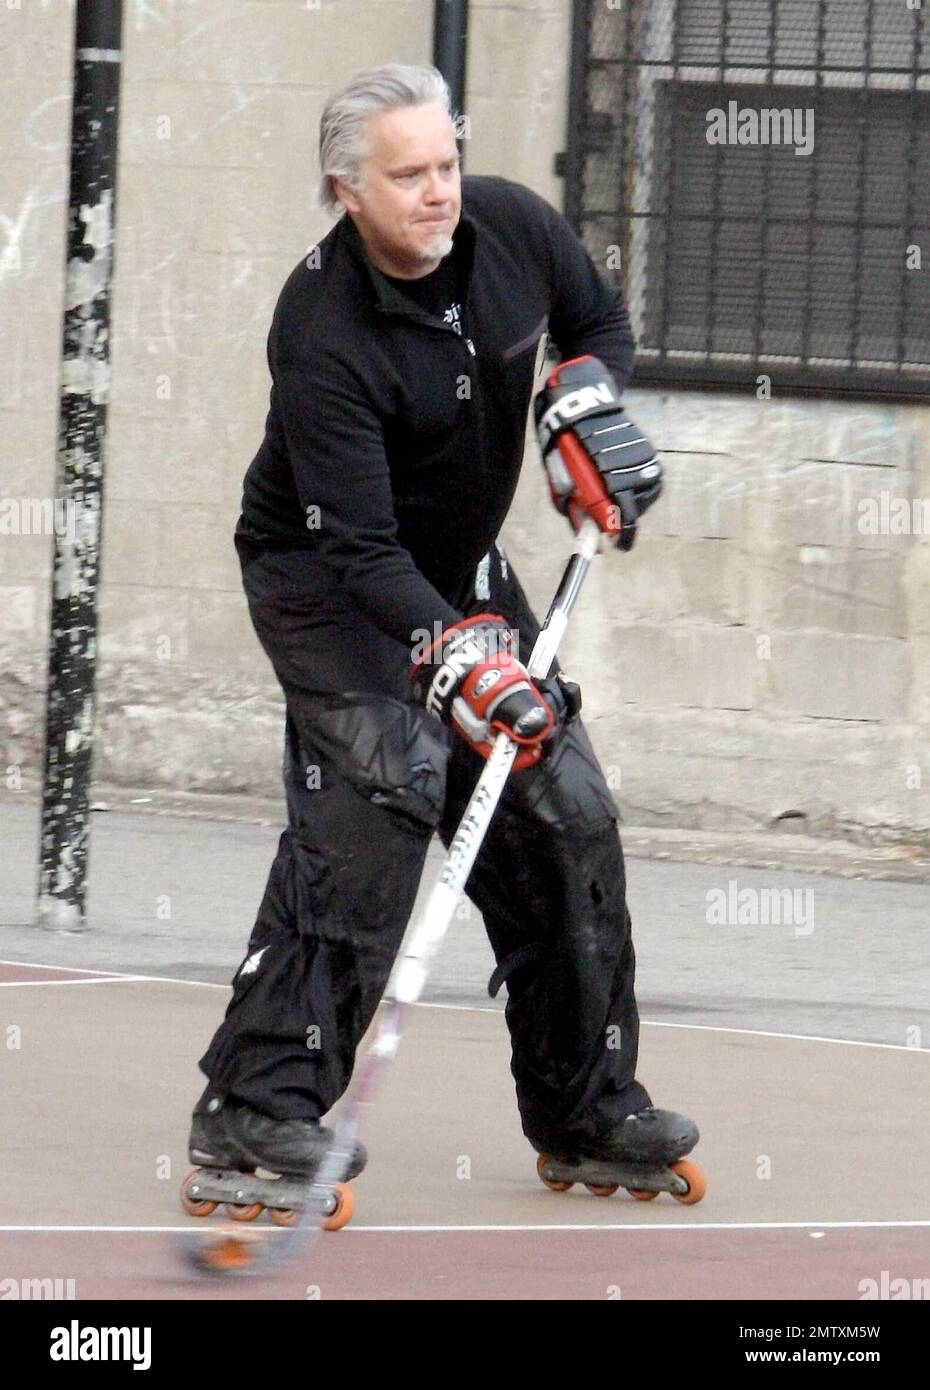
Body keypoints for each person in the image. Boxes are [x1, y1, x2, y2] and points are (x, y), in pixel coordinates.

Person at [188, 63, 698, 1184]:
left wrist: (585, 401)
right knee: (380, 807)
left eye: (446, 163)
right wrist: (460, 659)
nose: (438, 190)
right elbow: (360, 551)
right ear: (345, 190)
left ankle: (587, 1112)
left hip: (460, 569)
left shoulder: (511, 226)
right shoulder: (321, 329)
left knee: (564, 810)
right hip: (331, 582)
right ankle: (255, 1106)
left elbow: (599, 320)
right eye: (408, 174)